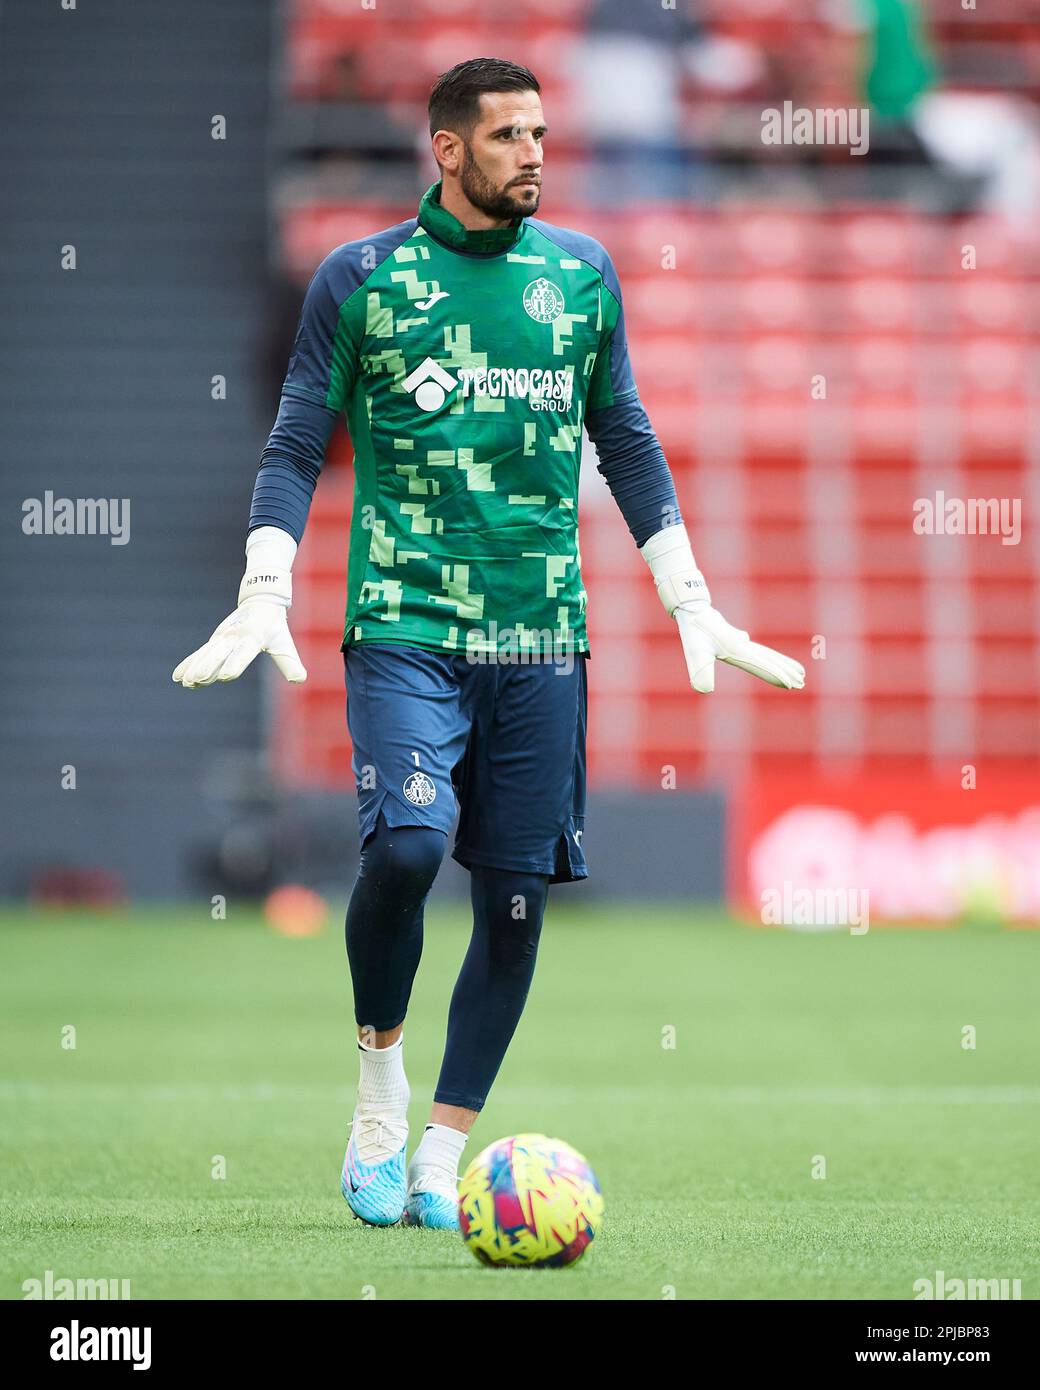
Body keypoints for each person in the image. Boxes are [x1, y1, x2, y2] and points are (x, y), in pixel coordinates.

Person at [172, 57, 804, 1231]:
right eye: (509, 135)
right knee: (407, 850)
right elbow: (297, 436)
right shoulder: (359, 280)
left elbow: (620, 428)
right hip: (404, 626)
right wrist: (268, 581)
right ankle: (376, 1096)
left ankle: (437, 1150)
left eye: (542, 133)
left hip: (541, 639)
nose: (534, 153)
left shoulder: (580, 276)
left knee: (513, 904)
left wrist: (687, 591)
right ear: (448, 148)